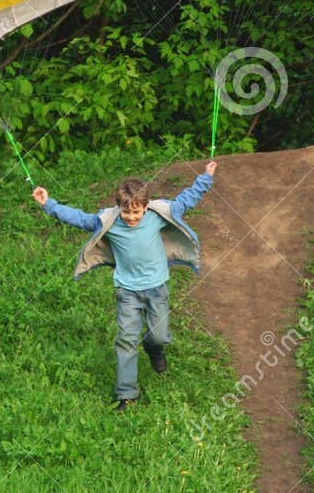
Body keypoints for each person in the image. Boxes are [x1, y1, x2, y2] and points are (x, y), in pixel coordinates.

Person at [33, 162, 216, 411]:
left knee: (159, 336)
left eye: (136, 213)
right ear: (118, 207)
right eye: (126, 212)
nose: (131, 218)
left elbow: (187, 199)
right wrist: (48, 204)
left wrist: (205, 178)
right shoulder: (108, 220)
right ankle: (127, 394)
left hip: (157, 288)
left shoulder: (158, 214)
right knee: (126, 340)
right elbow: (77, 218)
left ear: (145, 206)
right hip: (127, 292)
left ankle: (154, 349)